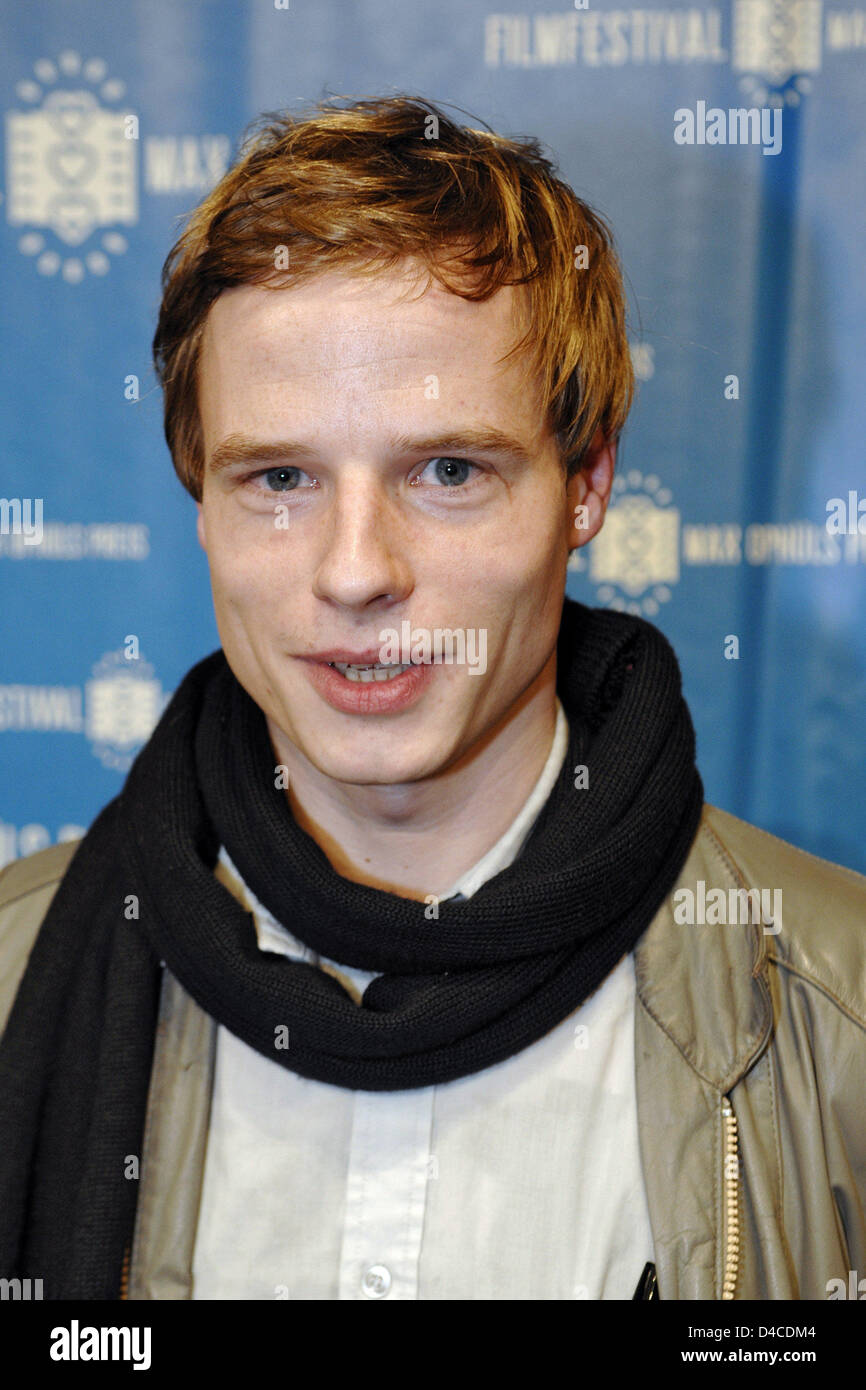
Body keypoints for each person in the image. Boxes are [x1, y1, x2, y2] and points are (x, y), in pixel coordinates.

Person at [1, 95, 864, 1303]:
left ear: (585, 484)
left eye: (448, 470)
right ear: (198, 493)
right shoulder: (14, 974)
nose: (354, 570)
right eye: (280, 476)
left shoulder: (841, 1014)